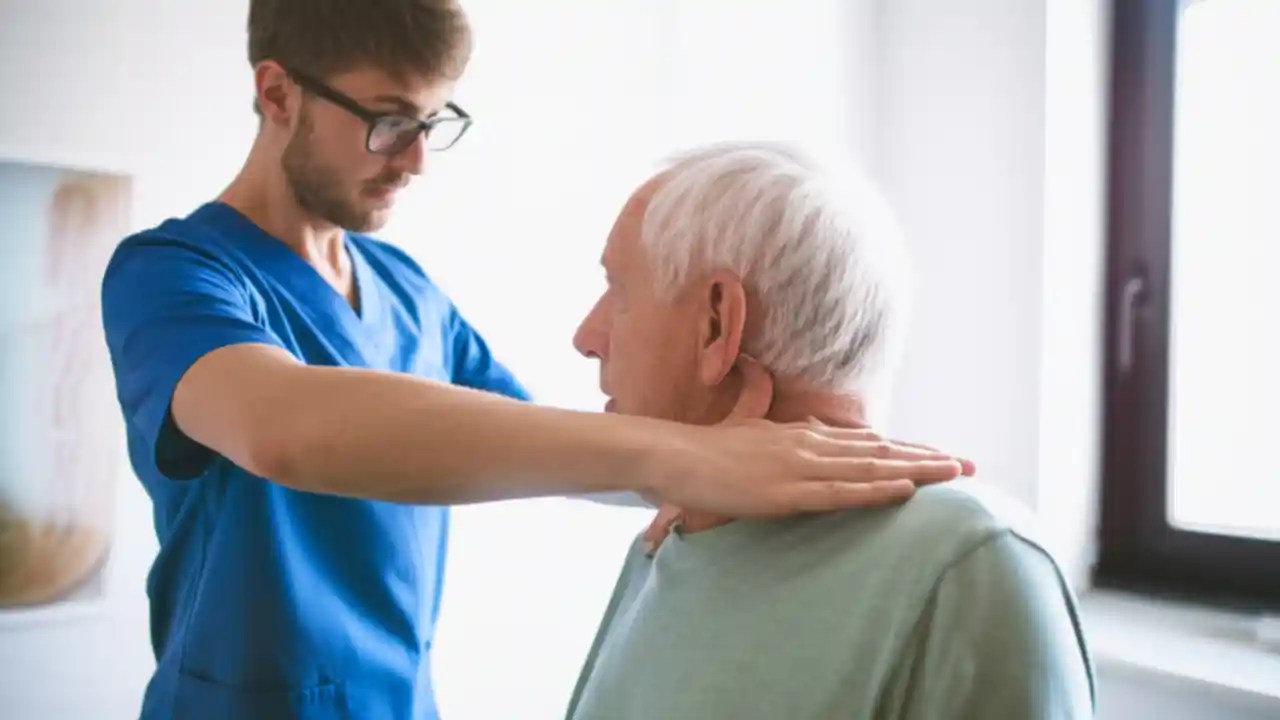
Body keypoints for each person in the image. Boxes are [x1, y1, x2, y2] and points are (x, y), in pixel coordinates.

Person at [98, 2, 972, 719]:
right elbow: (279, 426)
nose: (415, 163)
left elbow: (540, 440)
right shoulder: (172, 274)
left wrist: (773, 466)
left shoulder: (404, 288)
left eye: (433, 125)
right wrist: (688, 459)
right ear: (277, 92)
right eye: (389, 123)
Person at [566, 144, 1095, 719]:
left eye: (617, 292)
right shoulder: (666, 544)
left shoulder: (971, 564)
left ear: (717, 323)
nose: (586, 337)